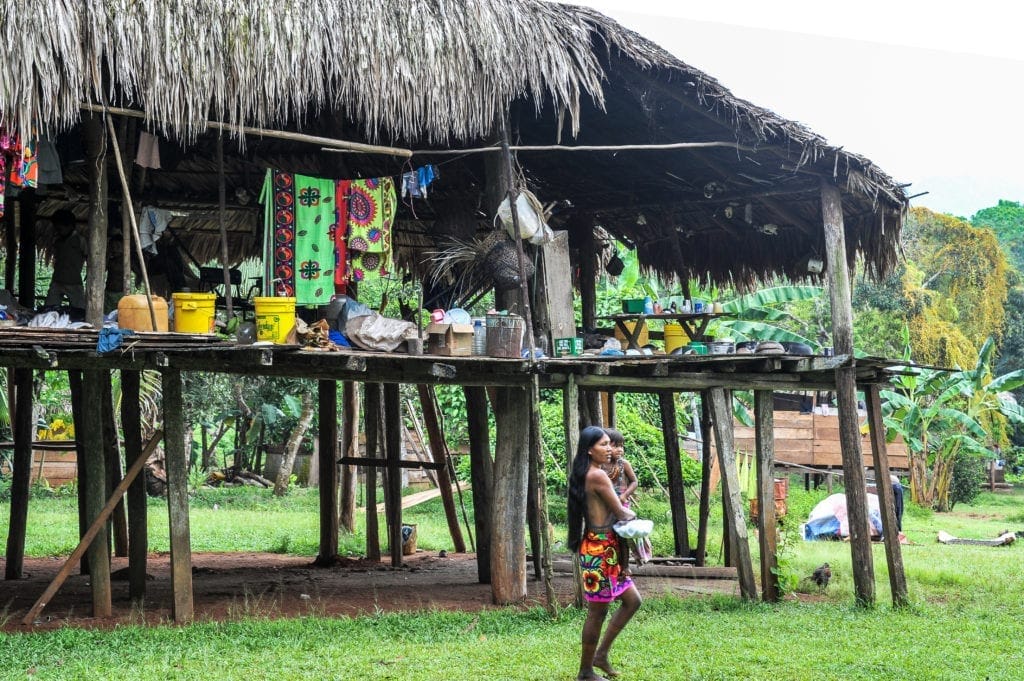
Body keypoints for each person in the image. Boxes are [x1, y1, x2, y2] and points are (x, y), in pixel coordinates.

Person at [568, 426, 642, 681]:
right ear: (589, 450)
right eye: (603, 445)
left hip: (602, 547)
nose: (610, 449)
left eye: (610, 444)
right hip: (601, 550)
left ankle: (600, 656)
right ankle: (585, 671)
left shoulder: (588, 473)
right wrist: (633, 516)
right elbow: (622, 513)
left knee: (632, 601)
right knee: (597, 612)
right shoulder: (597, 476)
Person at [602, 428, 638, 574]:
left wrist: (624, 496)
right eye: (615, 445)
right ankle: (608, 565)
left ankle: (625, 567)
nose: (620, 450)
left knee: (623, 536)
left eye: (622, 446)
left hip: (622, 505)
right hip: (605, 508)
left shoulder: (624, 464)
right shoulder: (600, 465)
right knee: (607, 536)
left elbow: (634, 481)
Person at [44, 209, 86, 309]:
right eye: (56, 229)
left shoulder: (80, 241)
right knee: (49, 308)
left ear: (70, 226)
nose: (58, 231)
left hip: (74, 282)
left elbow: (89, 257)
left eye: (60, 229)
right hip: (57, 280)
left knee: (80, 310)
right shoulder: (57, 240)